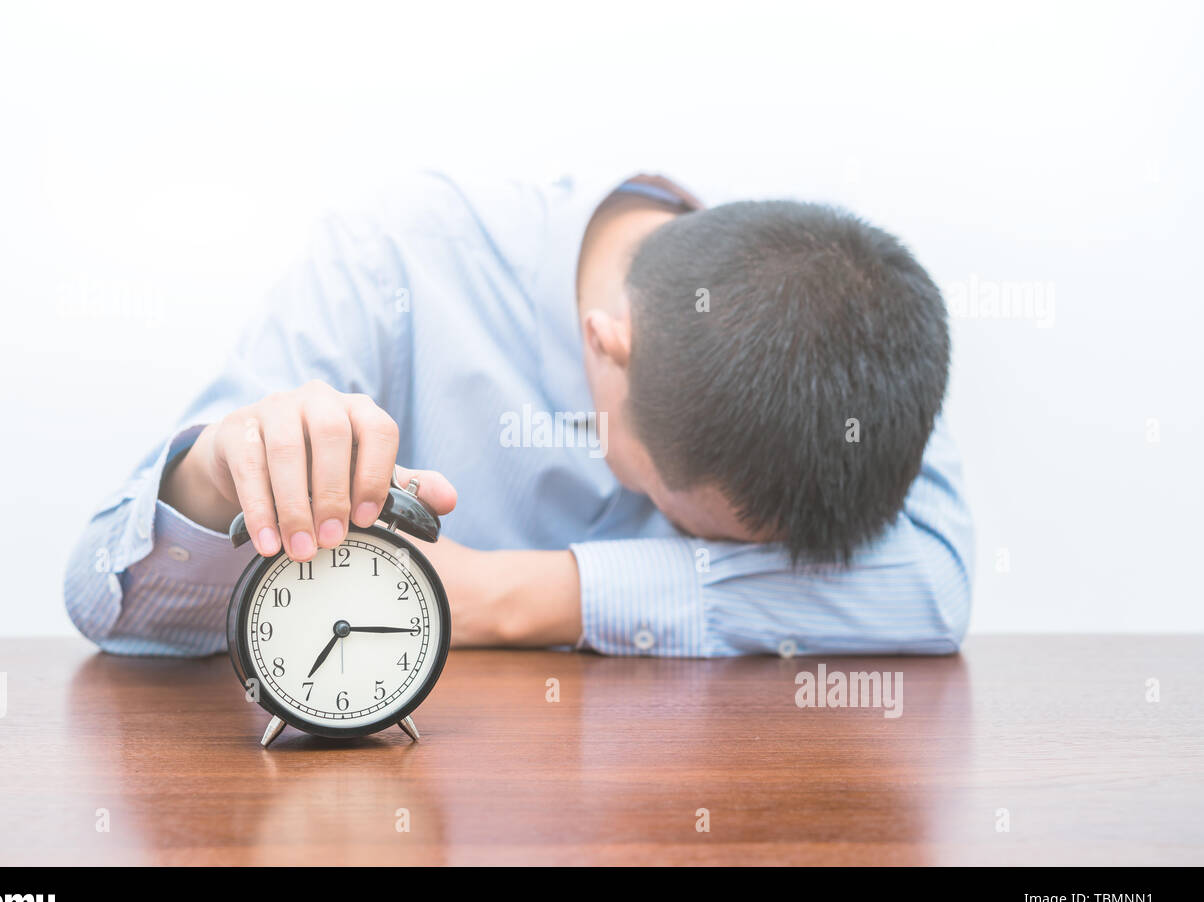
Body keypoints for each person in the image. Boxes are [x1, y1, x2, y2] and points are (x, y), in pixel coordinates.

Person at [64, 171, 973, 658]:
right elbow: (111, 609)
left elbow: (933, 584)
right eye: (713, 535)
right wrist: (216, 475)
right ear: (606, 346)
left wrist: (515, 595)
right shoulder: (390, 265)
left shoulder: (833, 322)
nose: (739, 560)